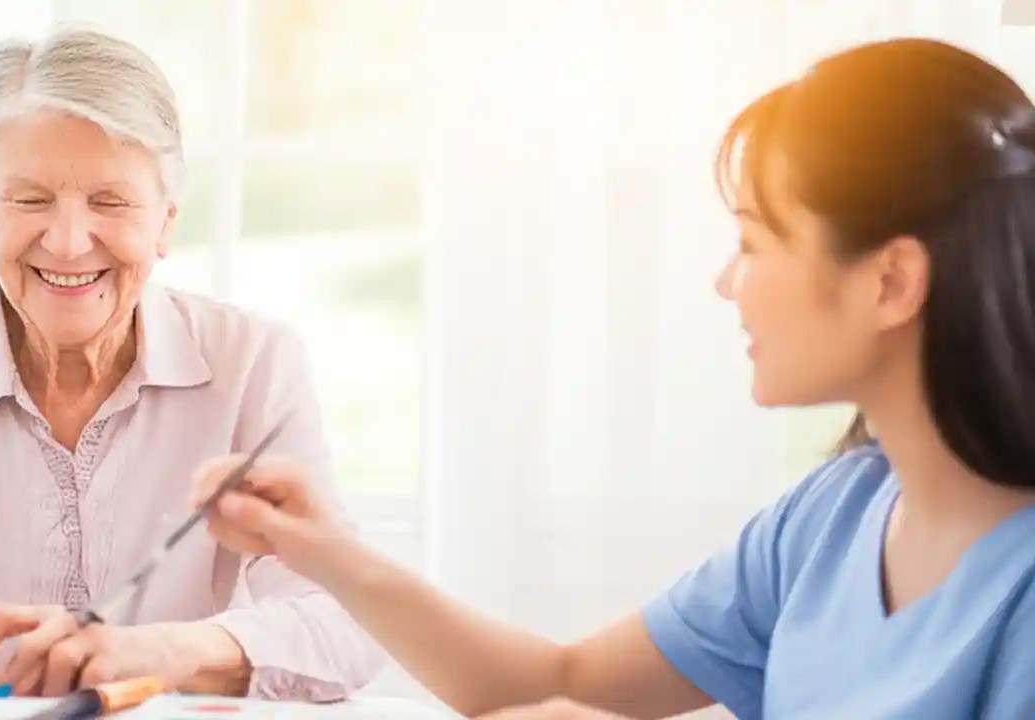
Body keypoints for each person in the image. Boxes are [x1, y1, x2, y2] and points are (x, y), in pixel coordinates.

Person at [191, 38, 1035, 719]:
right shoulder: (831, 519)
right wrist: (328, 554)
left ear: (890, 282)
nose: (726, 282)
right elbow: (562, 680)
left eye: (753, 241)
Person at [0, 28, 383, 700]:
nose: (68, 241)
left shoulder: (254, 365)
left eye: (110, 202)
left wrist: (159, 652)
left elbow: (347, 618)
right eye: (29, 200)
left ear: (167, 220)